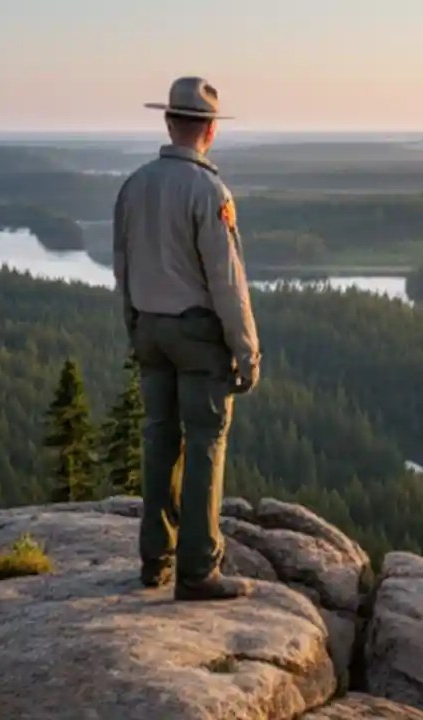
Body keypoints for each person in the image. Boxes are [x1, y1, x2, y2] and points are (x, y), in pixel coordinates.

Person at [113, 76, 261, 601]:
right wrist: (246, 348)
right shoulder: (209, 192)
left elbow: (122, 264)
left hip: (148, 327)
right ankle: (198, 571)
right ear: (210, 131)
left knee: (159, 438)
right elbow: (226, 279)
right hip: (197, 332)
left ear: (170, 122)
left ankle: (155, 559)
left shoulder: (134, 185)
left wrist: (134, 324)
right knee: (204, 443)